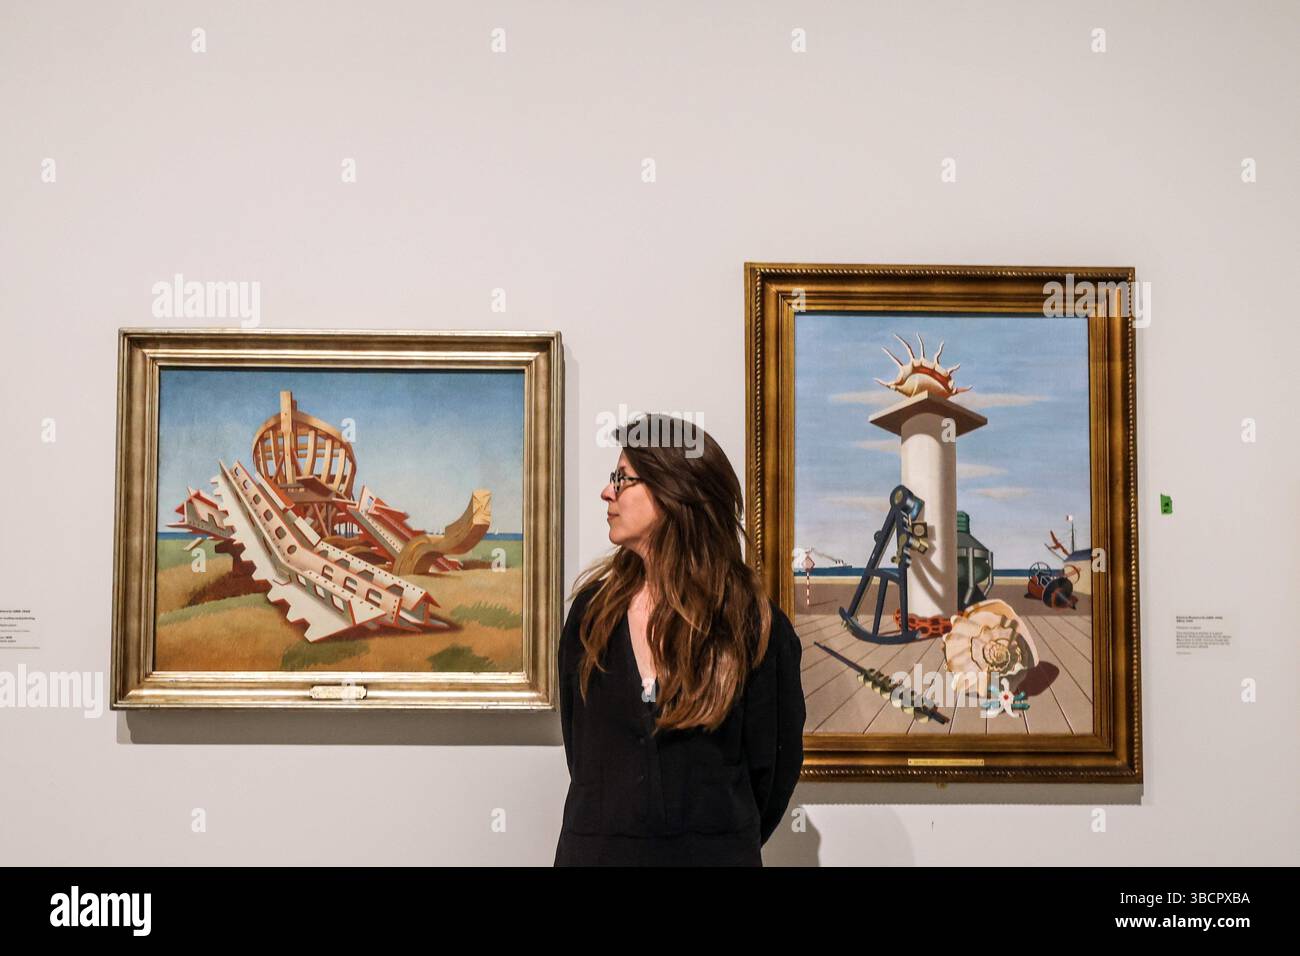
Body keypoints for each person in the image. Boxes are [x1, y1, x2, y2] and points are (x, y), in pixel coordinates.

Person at [554, 413, 805, 866]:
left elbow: (771, 773)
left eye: (623, 480)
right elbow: (583, 755)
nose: (606, 492)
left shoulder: (753, 624)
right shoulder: (590, 616)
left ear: (674, 492)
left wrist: (711, 834)